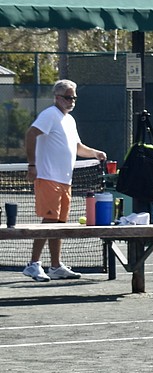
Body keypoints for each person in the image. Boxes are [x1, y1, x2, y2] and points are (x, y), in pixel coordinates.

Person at [23, 79, 106, 281]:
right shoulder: (49, 115)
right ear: (58, 97)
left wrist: (96, 153)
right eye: (68, 97)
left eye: (74, 97)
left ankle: (55, 266)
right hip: (48, 178)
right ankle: (33, 264)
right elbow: (31, 134)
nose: (72, 101)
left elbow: (77, 147)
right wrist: (32, 165)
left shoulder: (69, 120)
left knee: (59, 223)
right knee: (49, 221)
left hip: (64, 181)